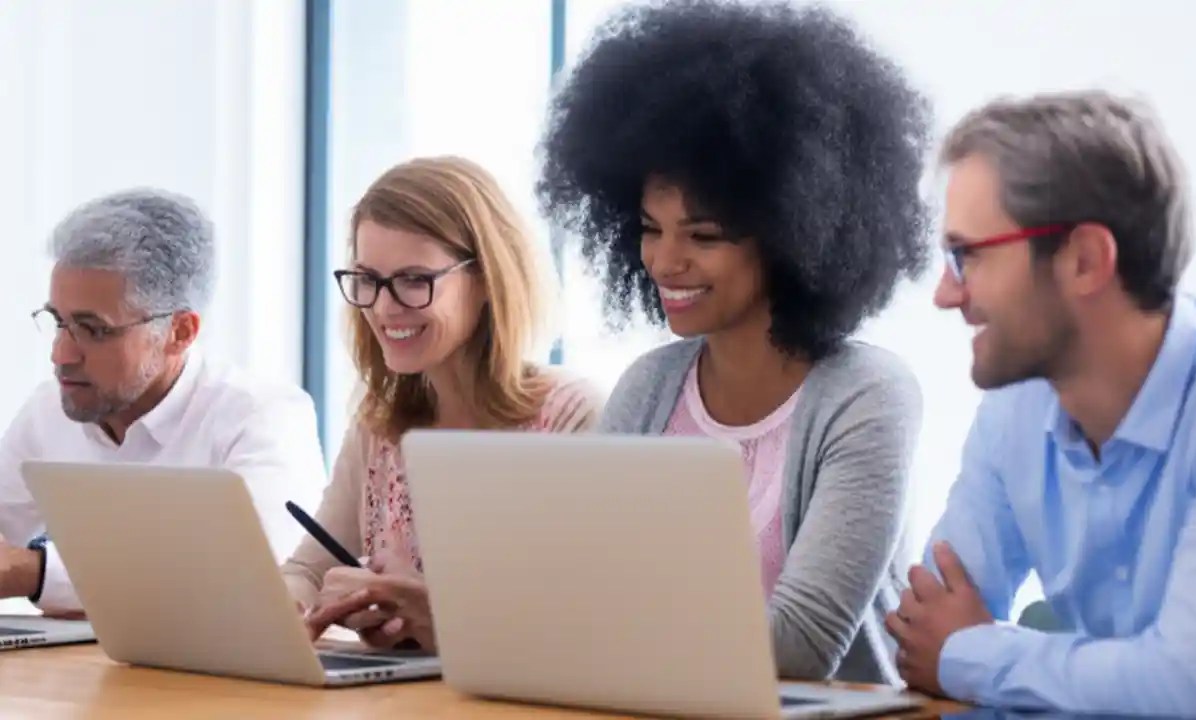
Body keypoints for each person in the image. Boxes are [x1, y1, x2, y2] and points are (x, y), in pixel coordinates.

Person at [537, 0, 930, 683]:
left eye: (704, 235)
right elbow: (581, 592)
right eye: (650, 228)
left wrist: (601, 622)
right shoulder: (650, 386)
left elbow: (799, 647)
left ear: (792, 234)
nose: (664, 261)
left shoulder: (867, 395)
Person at [887, 90, 1196, 718]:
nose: (944, 293)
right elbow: (926, 627)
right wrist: (962, 648)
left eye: (967, 256)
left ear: (1085, 260)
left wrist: (974, 653)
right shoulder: (1016, 404)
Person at [284, 156, 603, 651]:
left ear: (486, 282)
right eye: (368, 280)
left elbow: (589, 621)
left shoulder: (572, 418)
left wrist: (437, 615)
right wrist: (294, 606)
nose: (384, 308)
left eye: (414, 280)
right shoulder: (379, 425)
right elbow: (306, 568)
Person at [0, 188, 327, 614]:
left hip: (220, 679)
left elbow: (253, 579)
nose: (61, 354)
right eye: (58, 322)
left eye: (92, 329)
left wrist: (38, 572)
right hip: (86, 671)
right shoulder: (48, 410)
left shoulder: (262, 416)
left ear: (180, 332)